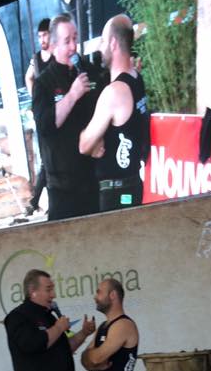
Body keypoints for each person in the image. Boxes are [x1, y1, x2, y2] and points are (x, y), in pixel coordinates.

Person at [32, 14, 100, 221]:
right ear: (53, 46)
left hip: (92, 179)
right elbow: (45, 126)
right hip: (63, 188)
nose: (73, 46)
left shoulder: (88, 72)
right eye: (67, 41)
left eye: (75, 39)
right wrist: (72, 95)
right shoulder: (43, 83)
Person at [79, 15, 150, 212]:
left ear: (112, 43)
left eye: (103, 41)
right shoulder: (136, 78)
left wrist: (95, 138)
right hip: (133, 185)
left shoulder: (114, 92)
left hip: (117, 194)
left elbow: (84, 145)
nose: (100, 48)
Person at [24, 18, 51, 217]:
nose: (42, 39)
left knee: (48, 161)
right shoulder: (37, 59)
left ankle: (35, 202)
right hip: (44, 116)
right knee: (46, 161)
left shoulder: (56, 56)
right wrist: (36, 101)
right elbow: (28, 77)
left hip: (57, 112)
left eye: (45, 35)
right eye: (40, 36)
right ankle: (35, 202)